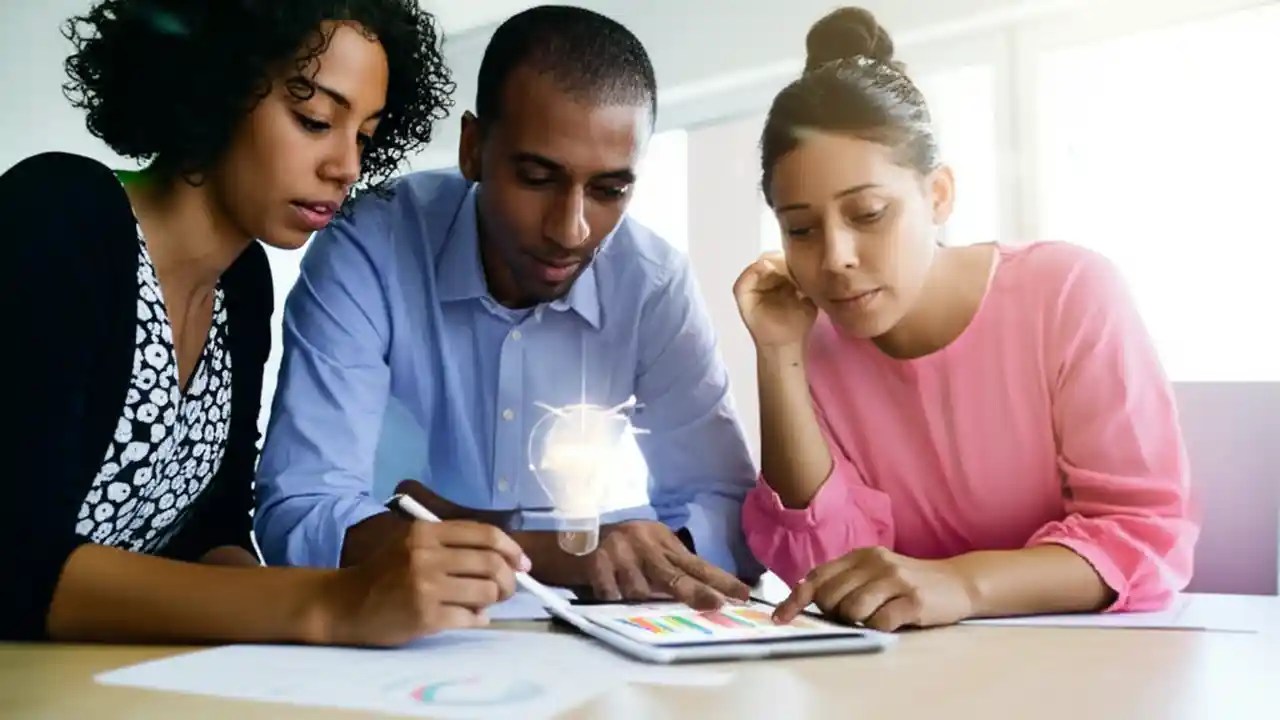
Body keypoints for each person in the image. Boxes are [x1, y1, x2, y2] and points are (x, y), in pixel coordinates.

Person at [2, 0, 527, 646]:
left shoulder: (242, 285)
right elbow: (16, 565)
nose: (347, 168)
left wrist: (287, 630)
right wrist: (334, 601)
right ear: (217, 86)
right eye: (314, 120)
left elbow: (207, 534)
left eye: (363, 135)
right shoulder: (58, 218)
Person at [255, 5, 762, 610]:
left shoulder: (651, 284)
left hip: (600, 654)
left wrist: (628, 559)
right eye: (536, 177)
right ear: (473, 149)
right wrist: (568, 553)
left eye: (609, 190)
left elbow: (729, 510)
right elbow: (303, 513)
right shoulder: (372, 245)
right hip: (392, 651)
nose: (572, 230)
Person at [735, 7, 1198, 632]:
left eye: (868, 214)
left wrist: (964, 584)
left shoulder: (1068, 295)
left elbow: (1144, 537)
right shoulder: (807, 343)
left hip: (1092, 663)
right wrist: (778, 355)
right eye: (801, 228)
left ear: (939, 195)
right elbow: (825, 571)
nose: (836, 258)